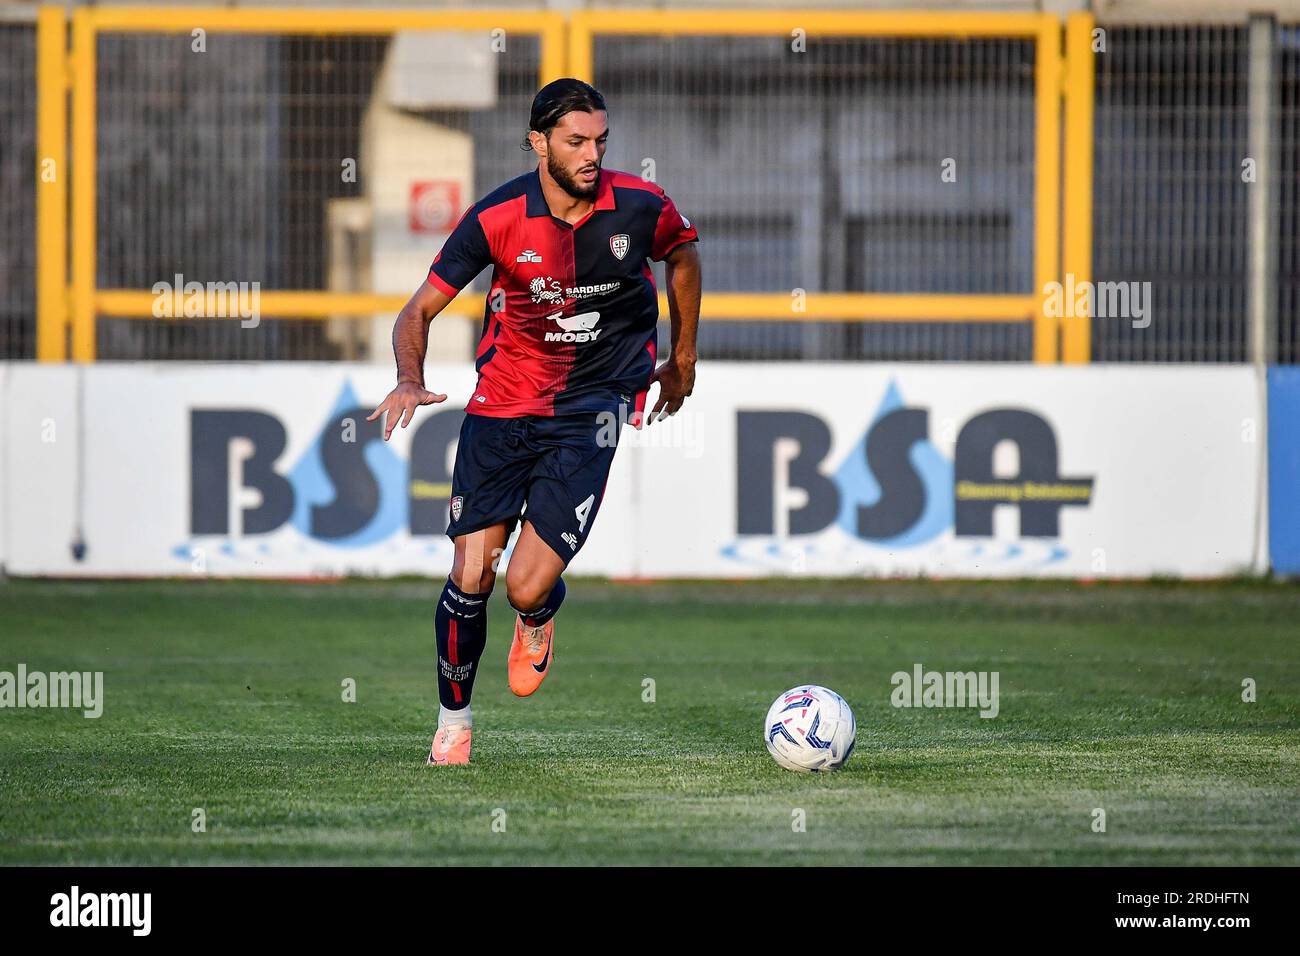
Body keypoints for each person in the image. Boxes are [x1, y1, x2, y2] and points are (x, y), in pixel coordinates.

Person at [368, 78, 702, 765]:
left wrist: (683, 360)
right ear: (538, 143)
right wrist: (409, 377)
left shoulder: (640, 206)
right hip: (501, 409)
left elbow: (684, 254)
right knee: (471, 577)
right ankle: (454, 727)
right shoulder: (497, 218)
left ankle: (539, 610)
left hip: (593, 410)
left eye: (600, 141)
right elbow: (417, 311)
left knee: (521, 584)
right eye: (577, 142)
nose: (592, 154)